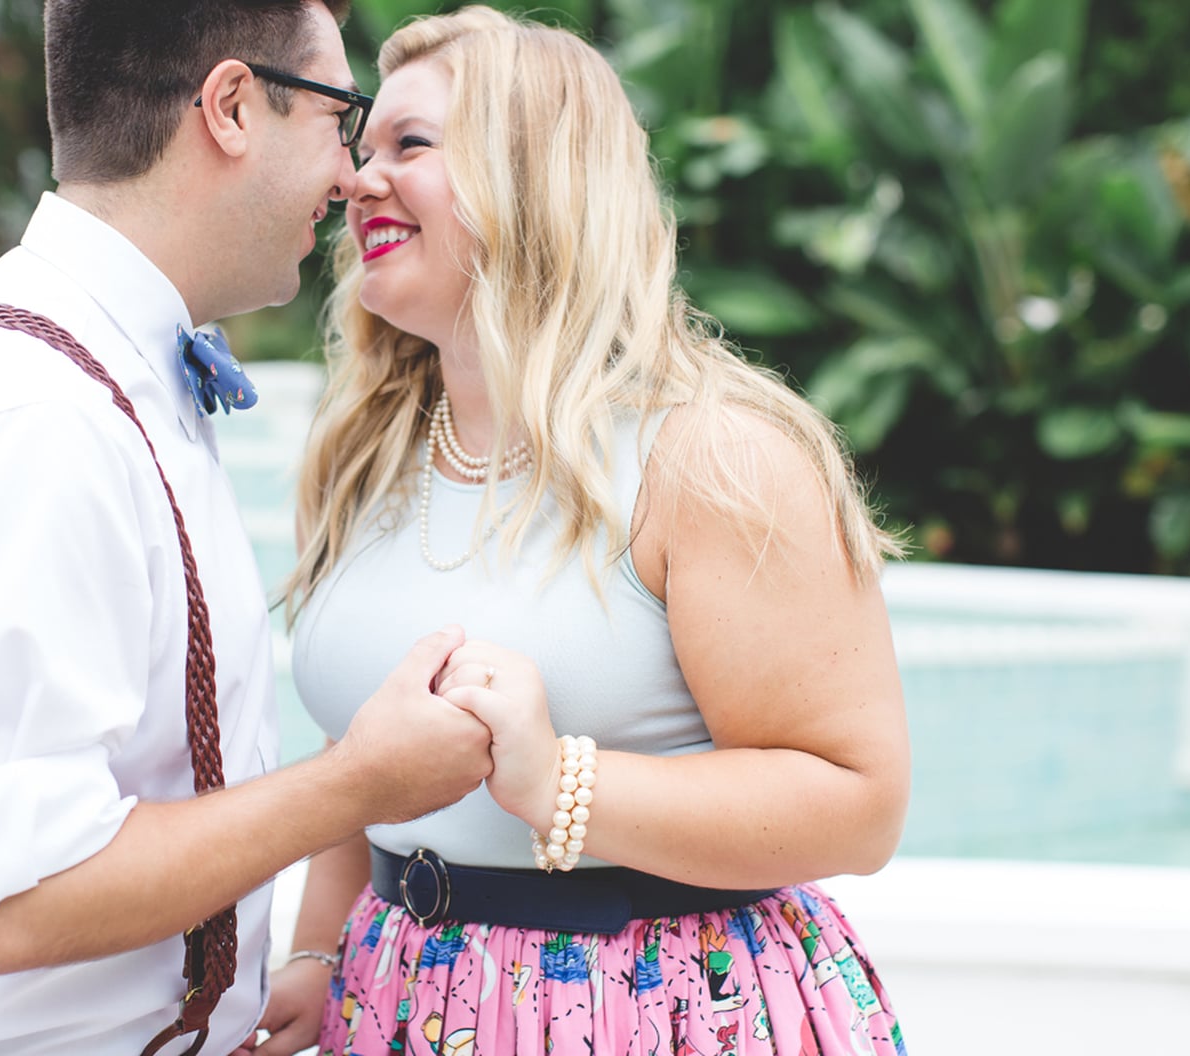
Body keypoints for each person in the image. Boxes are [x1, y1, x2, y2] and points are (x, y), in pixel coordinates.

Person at [0, 3, 496, 1055]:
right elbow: (27, 894)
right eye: (342, 118)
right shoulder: (35, 417)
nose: (348, 177)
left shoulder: (111, 370)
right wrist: (359, 784)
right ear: (232, 107)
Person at [260, 7, 912, 1055]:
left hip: (658, 1012)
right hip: (390, 1005)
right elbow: (363, 763)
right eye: (360, 150)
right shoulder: (366, 453)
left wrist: (561, 780)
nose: (354, 181)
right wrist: (315, 958)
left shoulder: (711, 454)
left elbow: (859, 803)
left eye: (410, 146)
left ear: (536, 174)